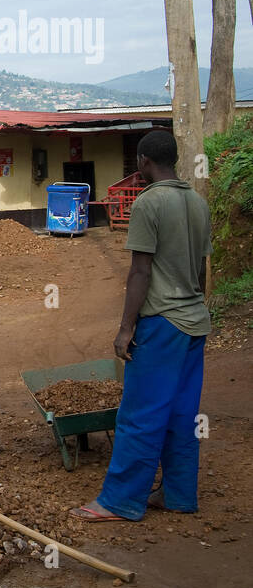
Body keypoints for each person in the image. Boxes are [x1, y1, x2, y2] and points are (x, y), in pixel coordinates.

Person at [71, 129, 211, 522]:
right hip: (194, 324)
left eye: (139, 162)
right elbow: (200, 269)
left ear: (145, 161)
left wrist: (125, 328)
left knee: (139, 414)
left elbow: (140, 272)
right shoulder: (197, 203)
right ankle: (179, 494)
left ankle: (120, 501)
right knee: (182, 414)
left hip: (162, 324)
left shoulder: (149, 204)